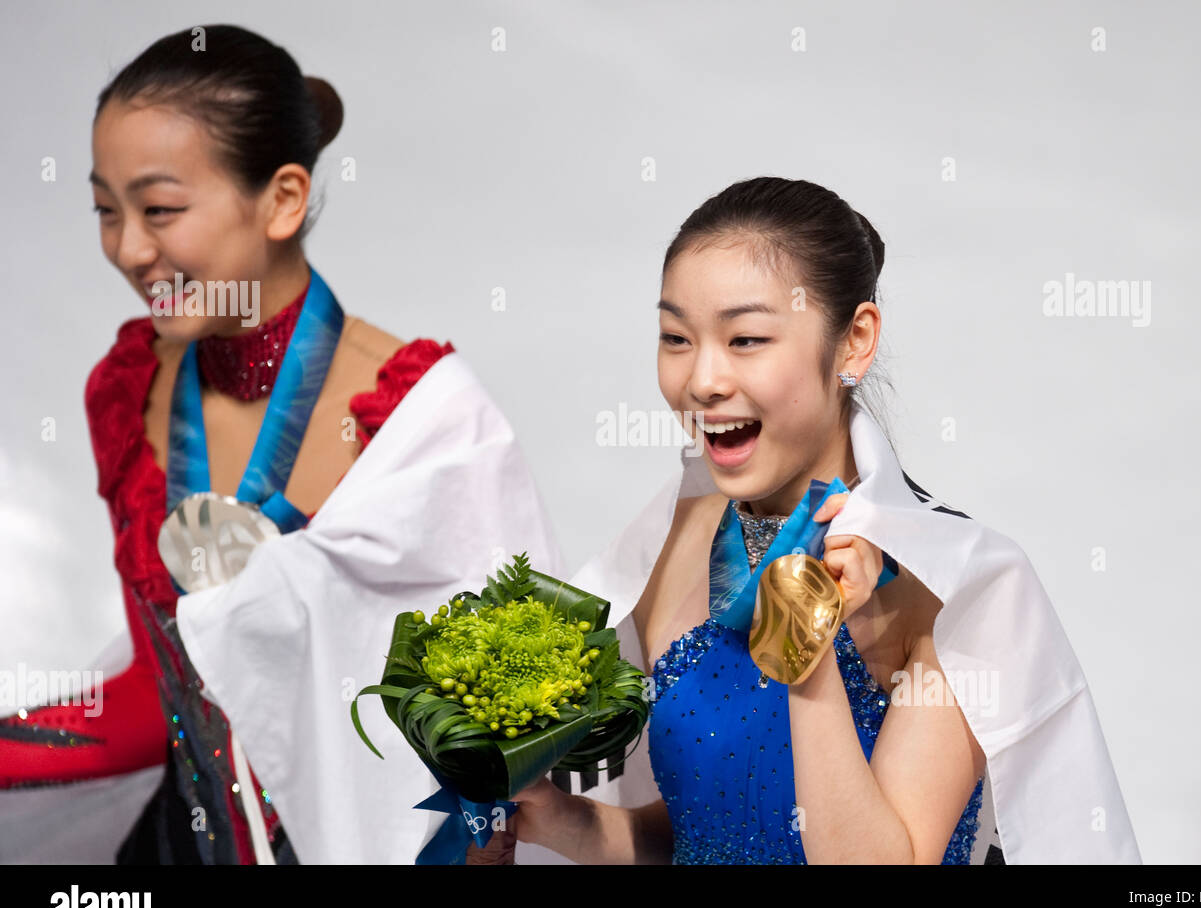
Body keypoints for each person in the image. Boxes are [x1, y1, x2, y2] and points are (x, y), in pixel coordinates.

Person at [0, 24, 560, 865]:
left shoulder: (423, 424)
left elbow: (512, 735)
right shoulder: (127, 395)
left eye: (158, 210)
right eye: (106, 212)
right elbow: (164, 697)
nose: (127, 249)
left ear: (284, 199)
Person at [508, 177, 1143, 864]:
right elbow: (709, 831)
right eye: (676, 337)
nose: (702, 379)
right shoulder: (675, 541)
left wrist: (805, 652)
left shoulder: (949, 590)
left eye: (746, 338)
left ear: (855, 341)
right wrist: (559, 819)